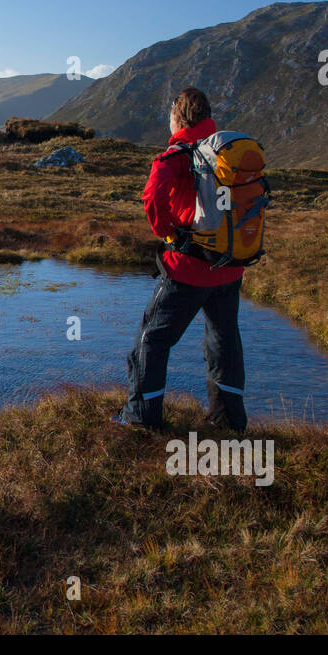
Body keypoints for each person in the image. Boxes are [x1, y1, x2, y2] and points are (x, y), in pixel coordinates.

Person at [117, 87, 247, 433]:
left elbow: (152, 199)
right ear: (207, 116)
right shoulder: (229, 151)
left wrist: (169, 233)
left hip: (189, 267)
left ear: (177, 117)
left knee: (152, 341)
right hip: (230, 266)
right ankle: (229, 422)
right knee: (224, 341)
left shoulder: (176, 155)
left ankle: (142, 419)